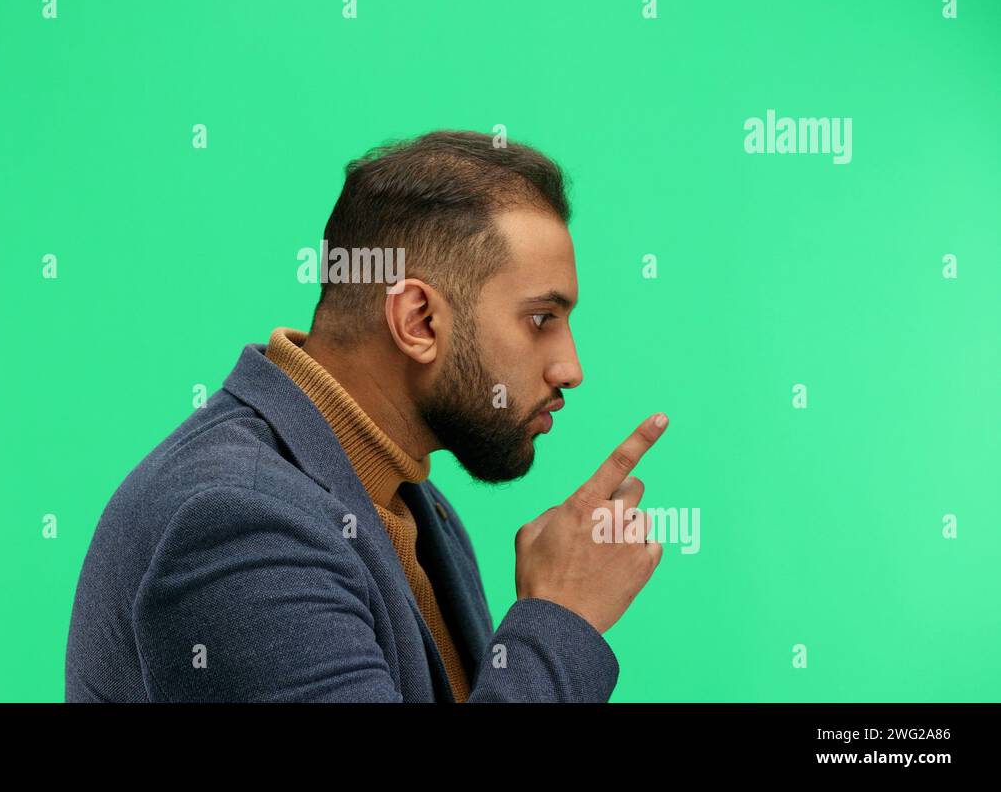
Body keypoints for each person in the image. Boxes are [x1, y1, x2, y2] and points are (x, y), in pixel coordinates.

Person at [65, 129, 669, 702]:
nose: (570, 368)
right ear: (418, 322)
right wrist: (562, 618)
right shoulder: (239, 522)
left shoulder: (416, 506)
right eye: (541, 319)